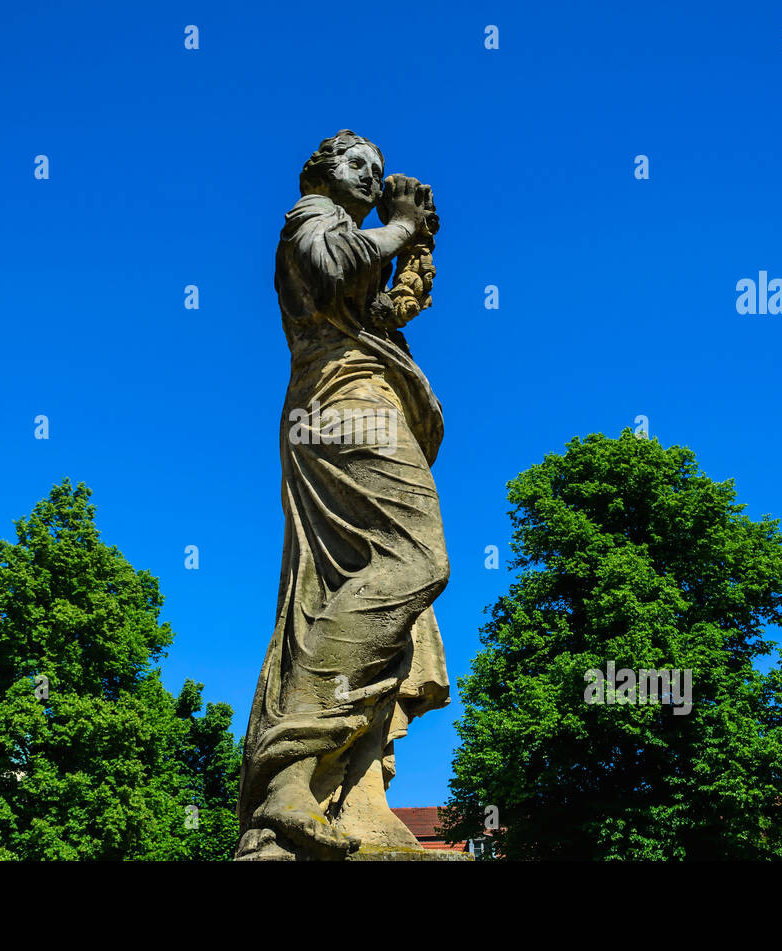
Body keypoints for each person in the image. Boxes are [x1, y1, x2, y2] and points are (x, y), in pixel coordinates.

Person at [235, 130, 450, 859]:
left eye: (380, 170)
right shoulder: (312, 217)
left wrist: (416, 248)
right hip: (343, 406)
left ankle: (350, 794)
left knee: (365, 591)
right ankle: (287, 775)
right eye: (358, 162)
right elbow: (330, 269)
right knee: (417, 563)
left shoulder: (352, 232)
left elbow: (383, 315)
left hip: (356, 403)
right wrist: (395, 227)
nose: (371, 175)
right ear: (321, 172)